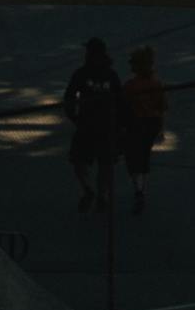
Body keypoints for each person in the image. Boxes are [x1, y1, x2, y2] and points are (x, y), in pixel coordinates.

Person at [61, 35, 124, 217]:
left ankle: (91, 191)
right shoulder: (109, 75)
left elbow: (69, 98)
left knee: (82, 161)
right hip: (102, 127)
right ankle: (98, 194)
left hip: (92, 126)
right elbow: (121, 102)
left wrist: (75, 117)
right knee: (101, 163)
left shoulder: (83, 73)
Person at [118, 42, 167, 214]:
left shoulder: (130, 86)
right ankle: (141, 188)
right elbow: (161, 108)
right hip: (151, 124)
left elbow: (121, 107)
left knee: (133, 158)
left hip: (135, 124)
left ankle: (138, 188)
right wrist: (161, 127)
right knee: (144, 156)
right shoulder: (157, 83)